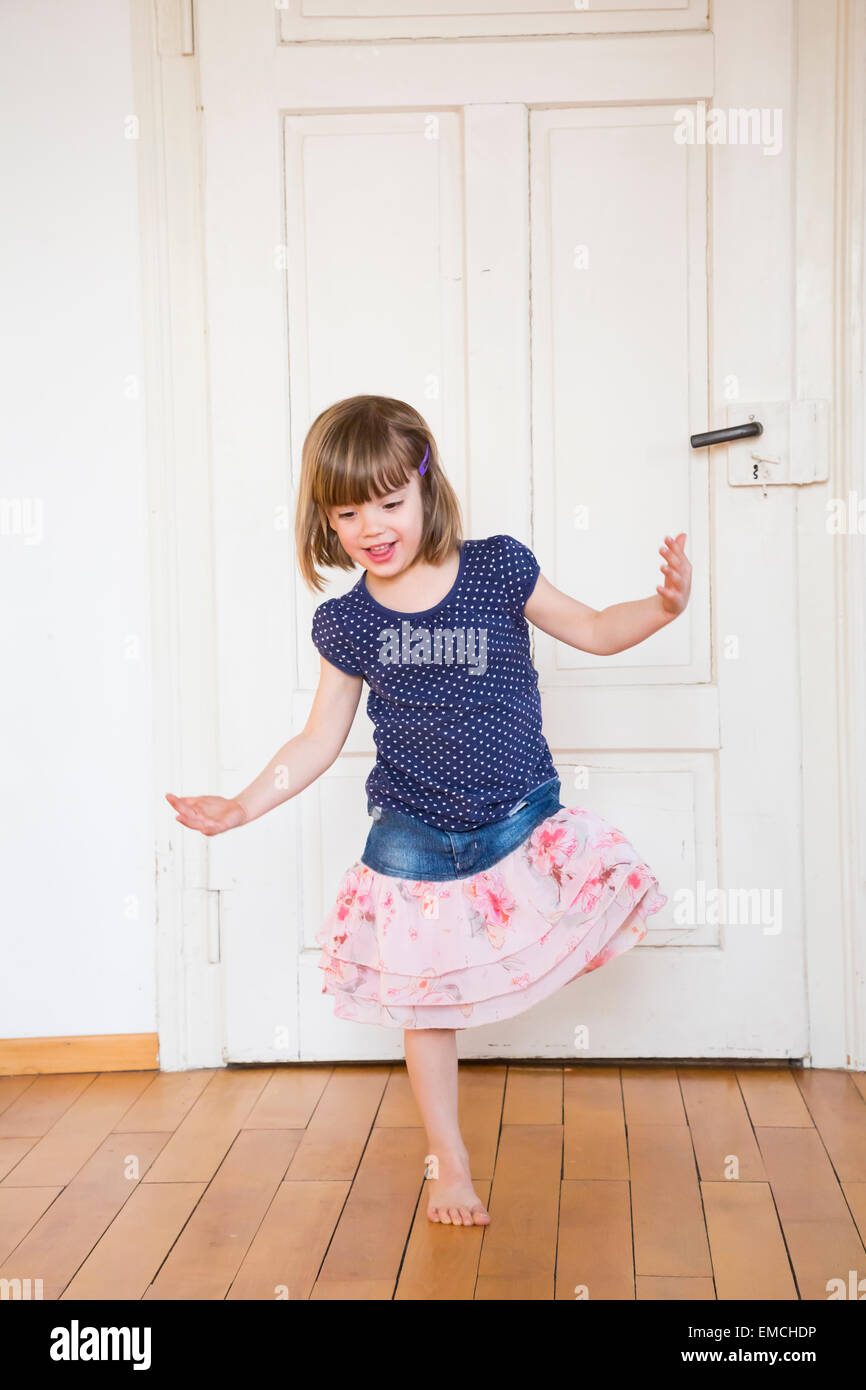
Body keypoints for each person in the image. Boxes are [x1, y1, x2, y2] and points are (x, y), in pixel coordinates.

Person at [167, 394, 692, 1230]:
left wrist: (662, 609)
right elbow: (316, 740)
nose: (373, 526)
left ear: (425, 487)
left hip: (518, 812)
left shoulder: (497, 568)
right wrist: (240, 805)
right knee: (426, 1009)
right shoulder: (347, 622)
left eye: (389, 501)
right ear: (324, 521)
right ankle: (450, 1166)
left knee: (610, 876)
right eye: (347, 512)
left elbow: (591, 629)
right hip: (412, 838)